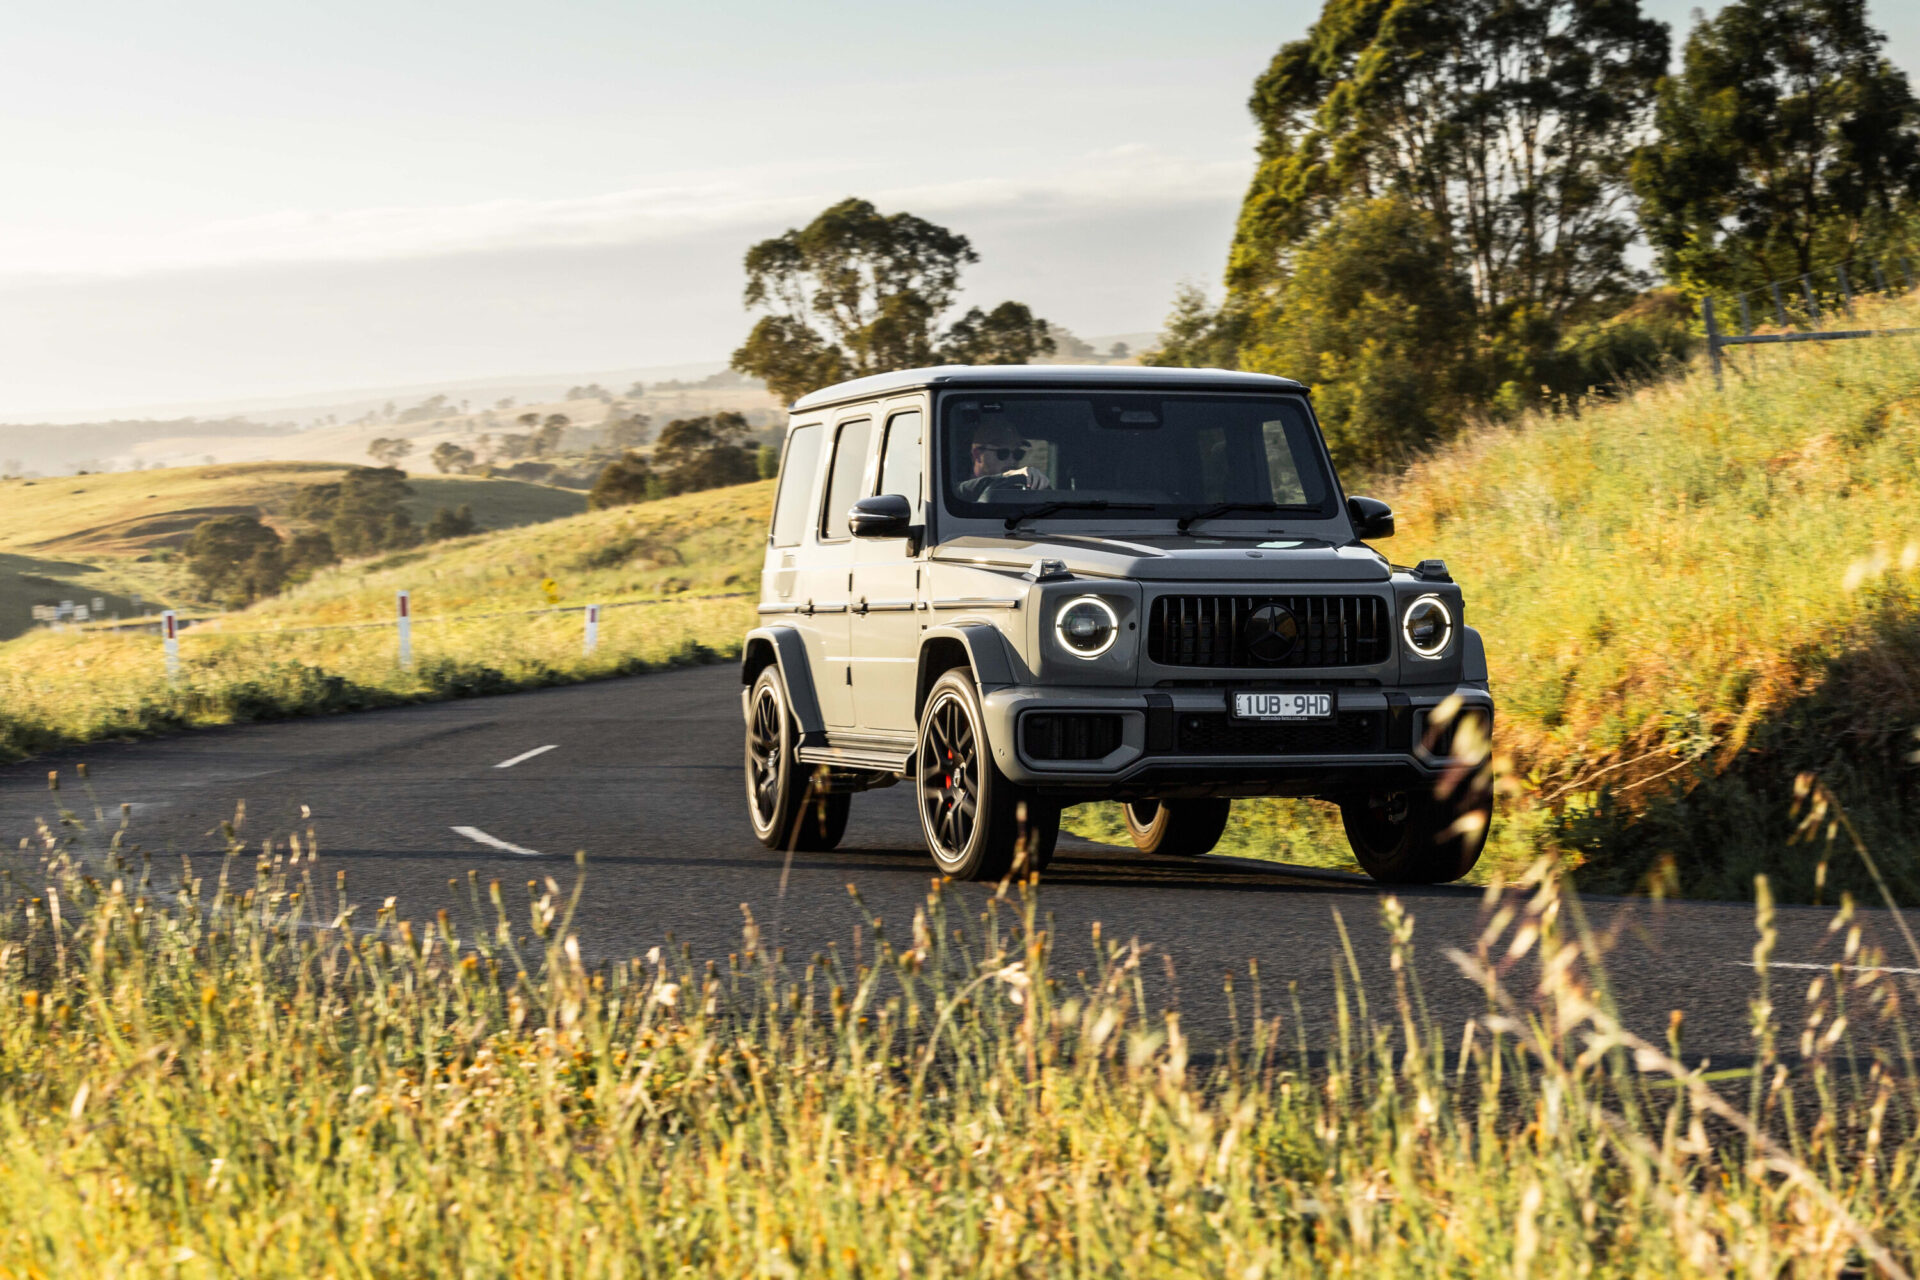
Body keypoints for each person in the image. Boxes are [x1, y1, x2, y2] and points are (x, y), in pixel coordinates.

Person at [955, 419, 1051, 501]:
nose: (1012, 461)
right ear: (978, 455)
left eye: (1018, 454)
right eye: (1002, 453)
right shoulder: (957, 494)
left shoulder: (1020, 491)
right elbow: (960, 490)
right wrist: (1006, 475)